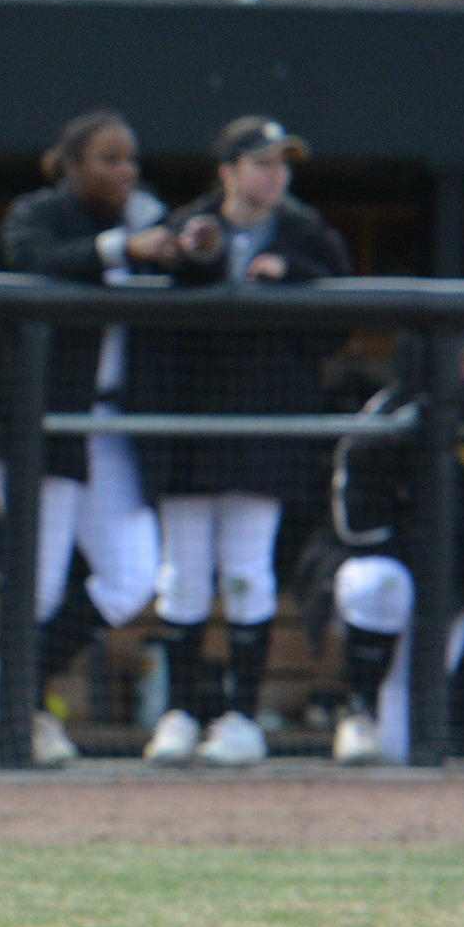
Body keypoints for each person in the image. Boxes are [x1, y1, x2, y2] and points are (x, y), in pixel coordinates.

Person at [128, 116, 352, 766]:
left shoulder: (308, 233)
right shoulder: (188, 223)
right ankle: (181, 710)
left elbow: (338, 320)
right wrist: (194, 254)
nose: (275, 175)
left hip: (265, 424)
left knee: (248, 569)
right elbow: (161, 296)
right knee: (184, 573)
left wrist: (292, 274)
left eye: (282, 163)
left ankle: (240, 714)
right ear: (227, 171)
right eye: (260, 163)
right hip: (189, 422)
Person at [0, 110, 172, 763]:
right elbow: (35, 259)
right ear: (71, 165)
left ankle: (14, 675)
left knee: (132, 576)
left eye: (130, 159)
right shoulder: (39, 211)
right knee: (35, 581)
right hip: (48, 420)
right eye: (108, 158)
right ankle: (22, 707)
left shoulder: (151, 216)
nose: (125, 171)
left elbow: (195, 272)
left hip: (116, 424)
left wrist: (193, 248)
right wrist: (125, 248)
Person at [328, 342, 464, 764]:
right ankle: (359, 708)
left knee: (406, 745)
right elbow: (355, 519)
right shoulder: (389, 413)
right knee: (378, 582)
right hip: (387, 568)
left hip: (456, 586)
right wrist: (420, 557)